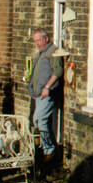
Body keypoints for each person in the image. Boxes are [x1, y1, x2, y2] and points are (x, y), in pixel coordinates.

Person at [26, 28, 63, 164]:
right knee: (38, 121)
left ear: (46, 39)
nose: (37, 43)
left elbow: (58, 71)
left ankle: (49, 149)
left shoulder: (53, 51)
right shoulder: (41, 53)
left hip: (47, 93)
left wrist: (47, 87)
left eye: (39, 40)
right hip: (38, 94)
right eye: (35, 41)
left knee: (39, 120)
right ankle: (50, 149)